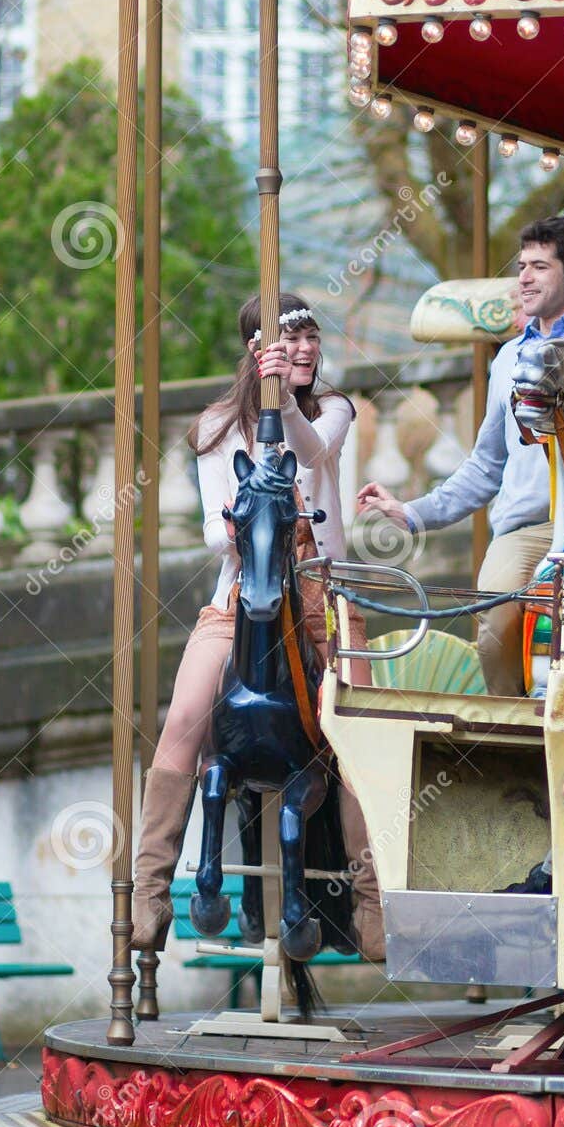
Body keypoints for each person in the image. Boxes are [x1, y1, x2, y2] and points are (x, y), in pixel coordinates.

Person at [130, 292, 383, 961]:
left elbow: (312, 449)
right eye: (287, 340)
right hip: (246, 586)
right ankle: (150, 891)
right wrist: (248, 529)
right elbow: (214, 529)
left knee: (360, 726)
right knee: (184, 716)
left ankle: (372, 902)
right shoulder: (217, 426)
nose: (304, 349)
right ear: (256, 349)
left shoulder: (331, 410)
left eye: (309, 337)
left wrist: (280, 405)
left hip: (320, 590)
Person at [357, 215, 564, 696]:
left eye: (539, 266)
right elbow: (484, 464)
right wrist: (413, 512)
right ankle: (511, 722)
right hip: (529, 527)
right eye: (523, 266)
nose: (523, 278)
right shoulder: (508, 358)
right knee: (495, 622)